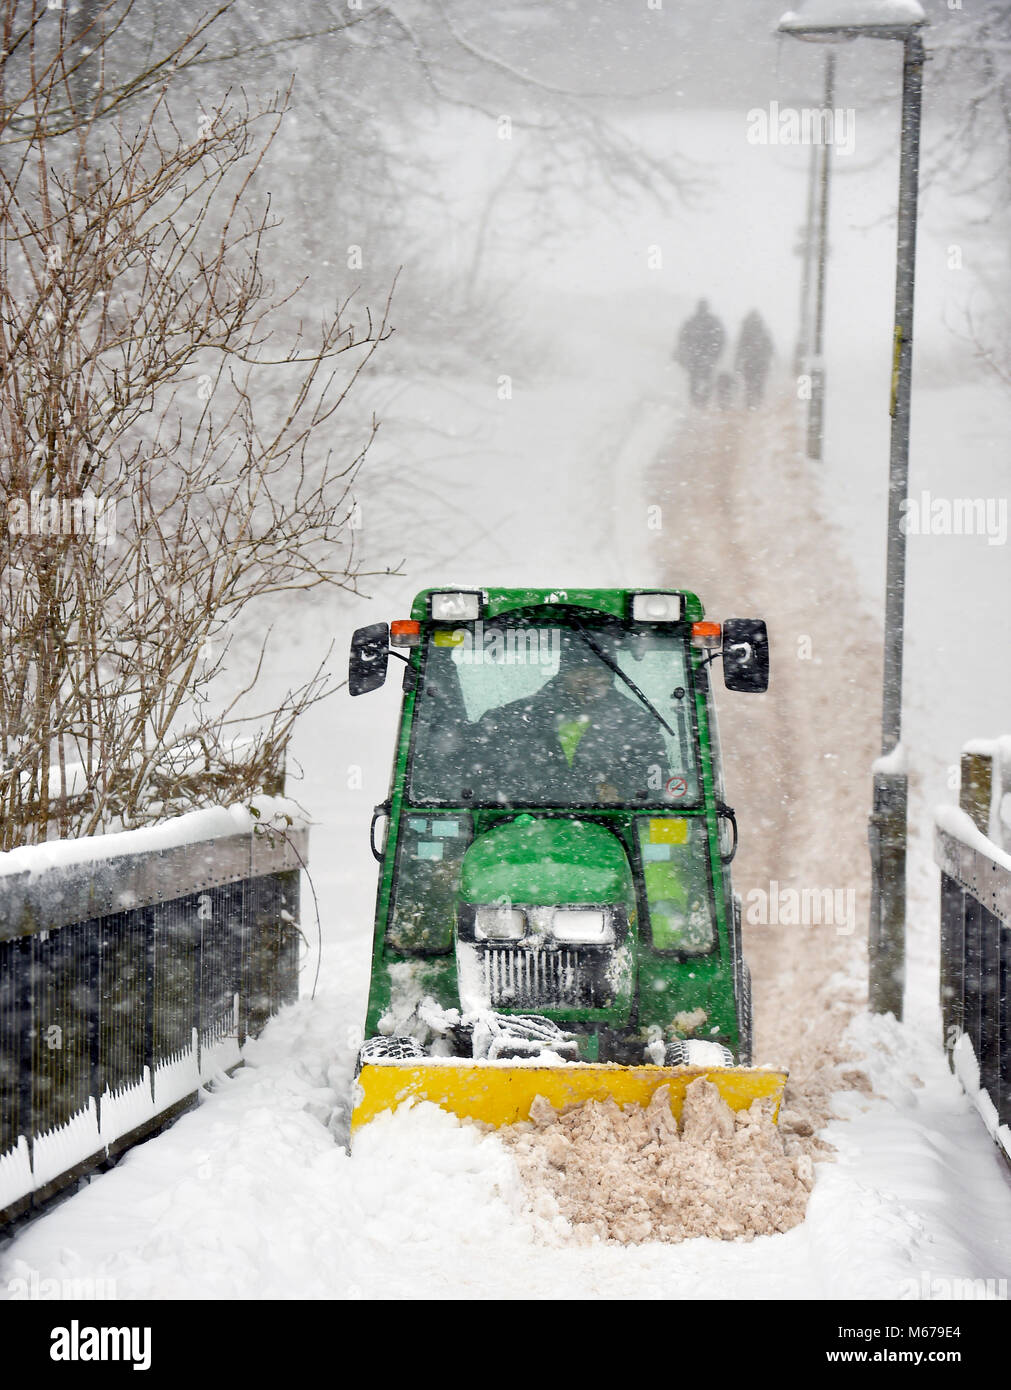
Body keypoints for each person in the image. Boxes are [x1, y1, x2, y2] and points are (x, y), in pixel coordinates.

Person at [469, 639, 670, 806]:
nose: (589, 681)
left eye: (598, 674)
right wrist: (519, 798)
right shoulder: (515, 718)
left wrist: (622, 791)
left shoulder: (636, 722)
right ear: (564, 674)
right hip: (519, 822)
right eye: (581, 672)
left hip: (612, 821)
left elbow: (653, 774)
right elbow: (484, 772)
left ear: (609, 679)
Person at [675, 299, 726, 407]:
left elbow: (683, 340)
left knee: (696, 381)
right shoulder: (712, 322)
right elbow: (720, 340)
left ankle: (697, 402)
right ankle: (701, 402)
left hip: (697, 357)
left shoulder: (692, 322)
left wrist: (686, 353)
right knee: (703, 381)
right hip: (704, 357)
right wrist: (715, 355)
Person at [733, 310, 774, 409]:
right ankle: (758, 402)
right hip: (761, 363)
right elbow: (770, 348)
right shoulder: (763, 332)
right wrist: (767, 358)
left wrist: (737, 361)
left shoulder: (745, 332)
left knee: (749, 384)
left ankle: (750, 403)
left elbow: (740, 348)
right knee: (759, 384)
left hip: (749, 362)